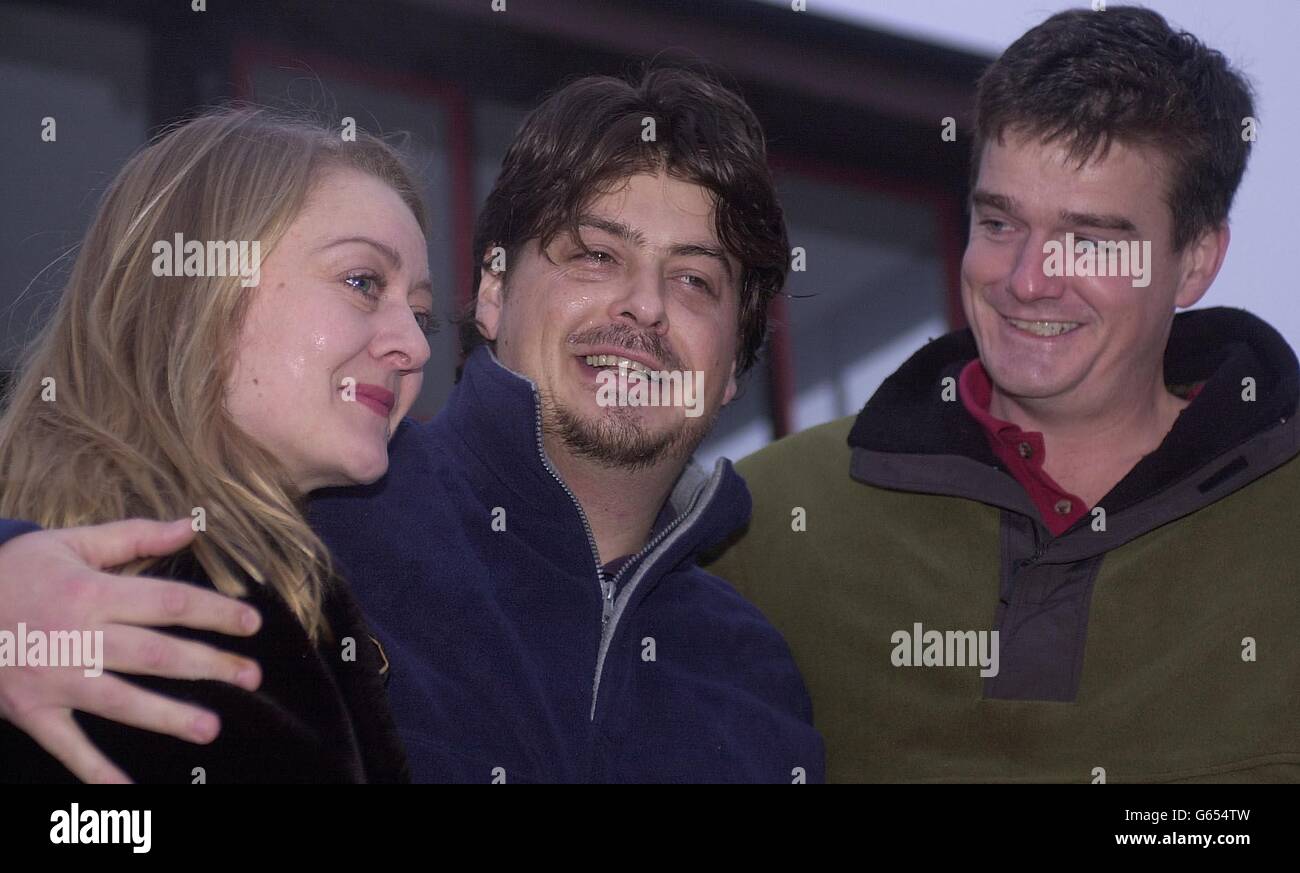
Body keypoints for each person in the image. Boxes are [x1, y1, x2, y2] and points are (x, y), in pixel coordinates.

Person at [0, 69, 824, 783]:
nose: (644, 306)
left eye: (692, 281)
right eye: (596, 255)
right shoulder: (313, 501)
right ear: (494, 295)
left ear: (730, 374)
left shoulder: (758, 677)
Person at [706, 6, 1298, 782]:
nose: (1027, 280)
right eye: (999, 221)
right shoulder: (762, 520)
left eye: (1089, 239)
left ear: (1195, 261)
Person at [0, 106, 435, 782]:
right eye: (362, 282)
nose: (414, 344)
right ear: (201, 287)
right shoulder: (169, 598)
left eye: (422, 311)